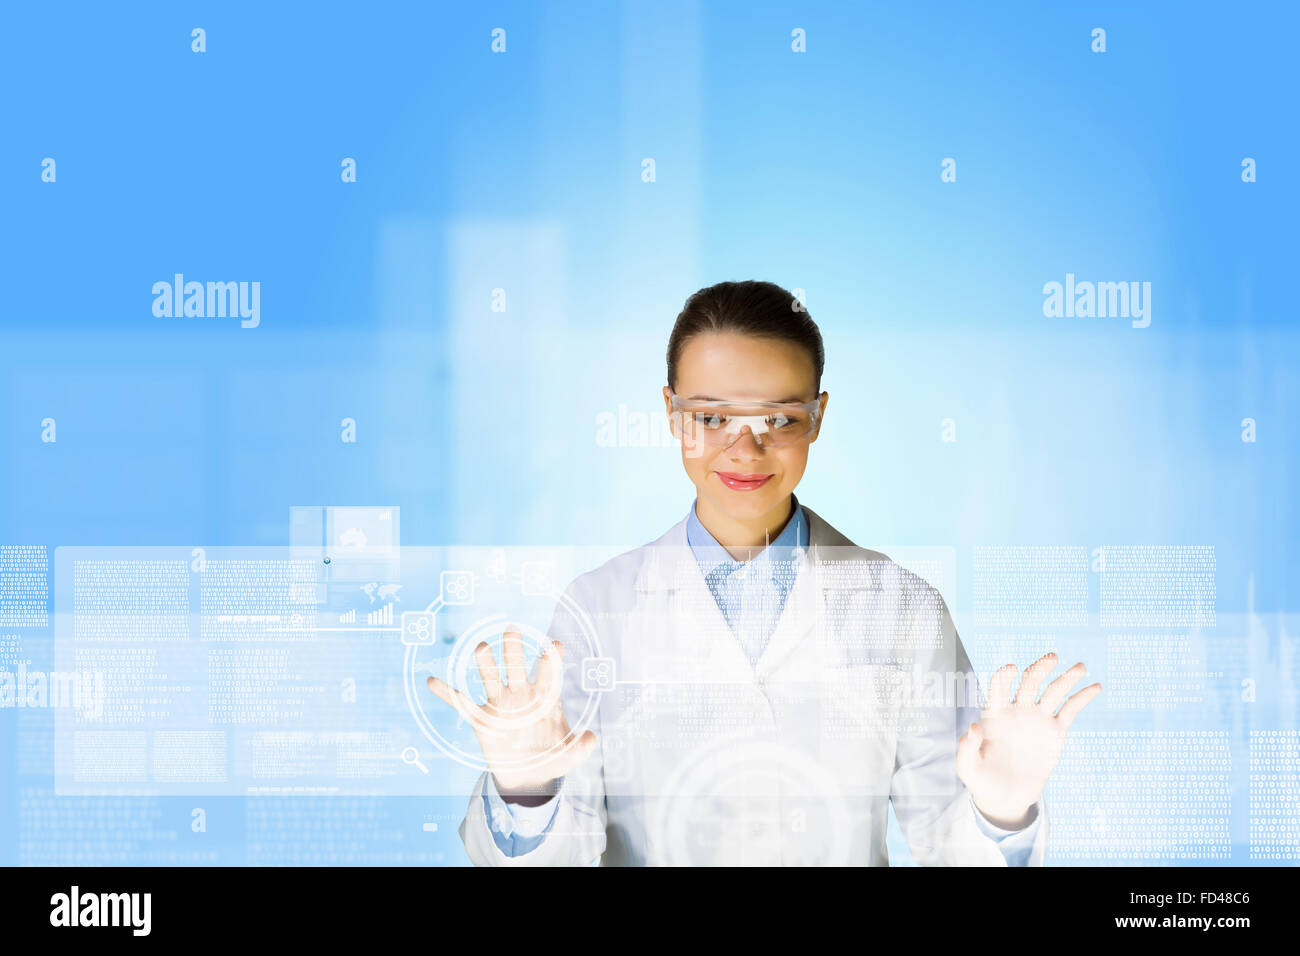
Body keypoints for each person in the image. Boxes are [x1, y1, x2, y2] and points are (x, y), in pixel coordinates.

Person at [427, 279, 1101, 866]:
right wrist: (526, 791)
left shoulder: (903, 609)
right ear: (670, 414)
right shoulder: (600, 607)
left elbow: (954, 852)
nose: (745, 450)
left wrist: (1002, 811)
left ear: (819, 417)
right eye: (712, 417)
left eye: (780, 418)